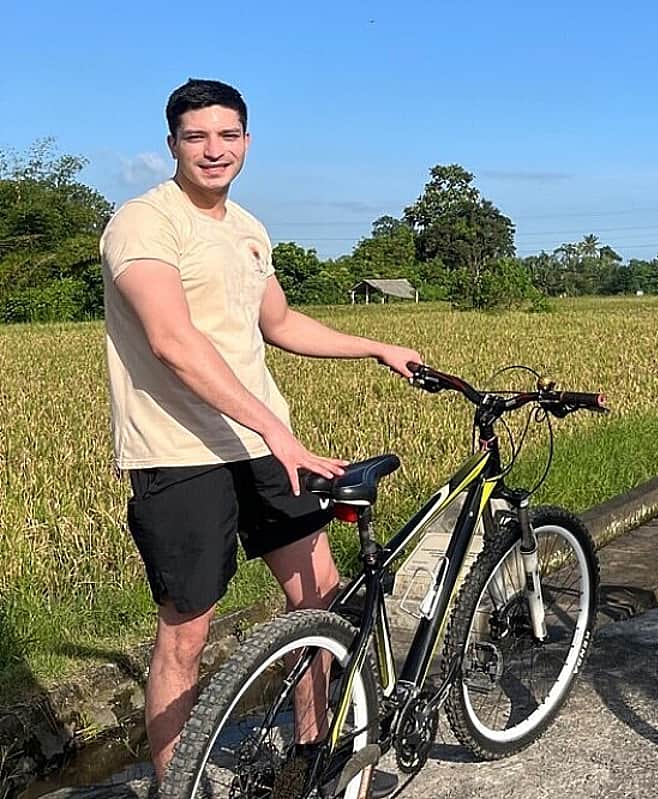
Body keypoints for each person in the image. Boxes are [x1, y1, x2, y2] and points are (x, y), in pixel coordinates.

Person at [100, 78, 420, 792]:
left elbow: (278, 324)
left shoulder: (247, 229)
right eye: (197, 137)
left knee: (320, 591)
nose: (214, 150)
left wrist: (375, 345)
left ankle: (314, 747)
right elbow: (171, 339)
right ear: (173, 144)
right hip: (181, 450)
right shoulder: (144, 223)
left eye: (228, 135)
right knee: (186, 632)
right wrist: (277, 426)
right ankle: (175, 784)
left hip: (264, 444)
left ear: (246, 140)